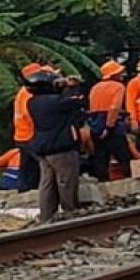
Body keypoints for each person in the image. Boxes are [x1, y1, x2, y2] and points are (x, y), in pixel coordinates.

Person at [27, 70, 88, 223]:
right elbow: (80, 101)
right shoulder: (57, 102)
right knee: (66, 181)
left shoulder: (32, 102)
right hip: (61, 147)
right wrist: (74, 86)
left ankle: (47, 216)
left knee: (47, 183)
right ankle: (71, 213)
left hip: (43, 147)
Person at [88, 60, 133, 182]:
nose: (123, 75)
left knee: (101, 158)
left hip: (95, 124)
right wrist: (109, 127)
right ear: (114, 75)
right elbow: (114, 108)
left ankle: (103, 185)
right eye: (120, 72)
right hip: (111, 124)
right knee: (124, 157)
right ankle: (130, 183)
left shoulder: (95, 88)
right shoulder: (118, 87)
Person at [12, 62, 45, 192]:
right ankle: (29, 191)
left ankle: (24, 190)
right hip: (29, 135)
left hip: (22, 135)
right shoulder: (28, 93)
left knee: (27, 166)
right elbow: (30, 114)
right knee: (41, 163)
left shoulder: (23, 92)